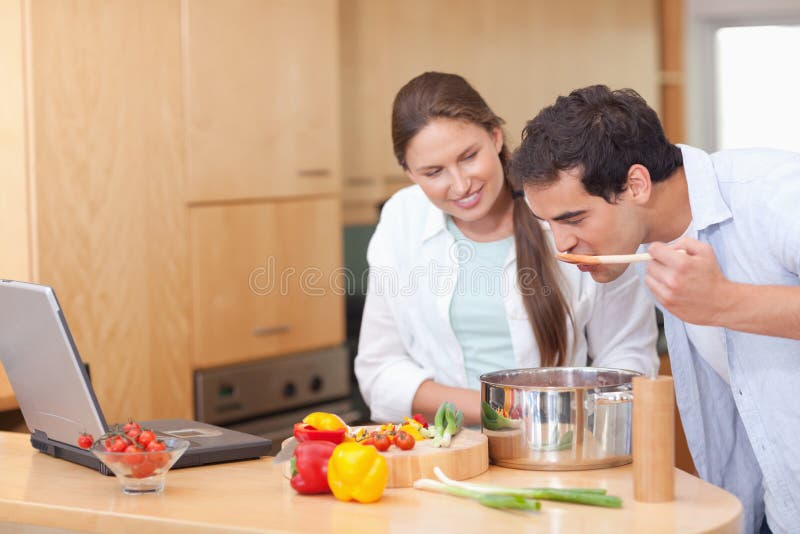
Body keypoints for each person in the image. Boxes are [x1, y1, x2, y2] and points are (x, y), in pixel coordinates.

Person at [510, 84, 800, 534]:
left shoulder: (773, 192)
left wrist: (725, 302)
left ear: (637, 184)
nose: (562, 246)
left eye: (573, 219)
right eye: (548, 225)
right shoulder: (654, 240)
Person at [354, 72, 659, 429]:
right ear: (409, 172)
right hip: (446, 455)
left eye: (469, 156)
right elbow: (379, 372)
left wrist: (572, 423)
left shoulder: (568, 212)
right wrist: (513, 408)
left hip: (559, 447)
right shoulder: (401, 218)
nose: (460, 184)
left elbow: (629, 356)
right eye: (434, 171)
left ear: (495, 136)